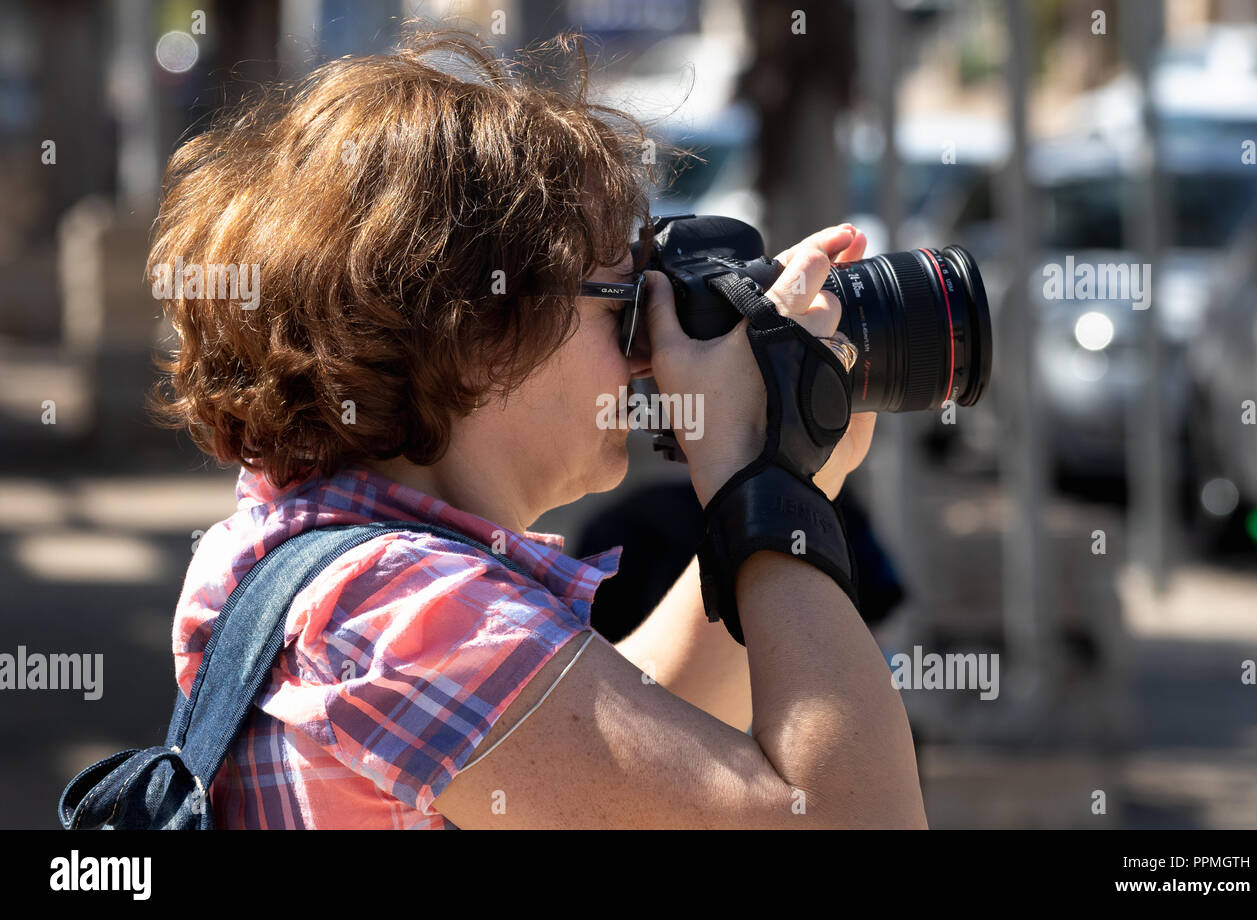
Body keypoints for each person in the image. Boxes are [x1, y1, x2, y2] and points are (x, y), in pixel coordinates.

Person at [151, 26, 927, 829]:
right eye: (625, 309)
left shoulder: (310, 560)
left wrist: (790, 474)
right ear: (480, 336)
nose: (644, 360)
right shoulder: (401, 612)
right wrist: (757, 486)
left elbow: (612, 752)